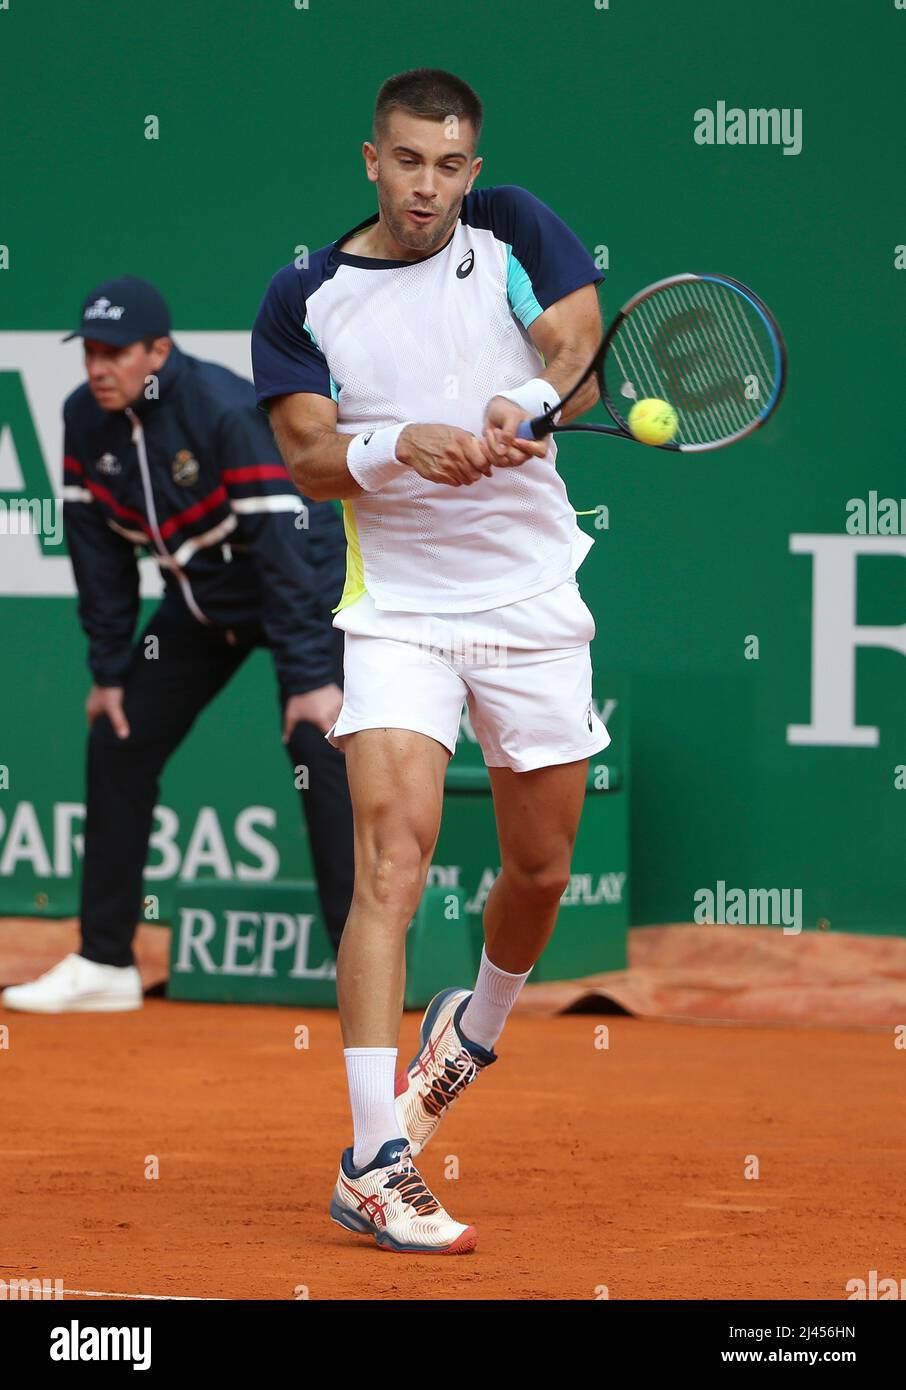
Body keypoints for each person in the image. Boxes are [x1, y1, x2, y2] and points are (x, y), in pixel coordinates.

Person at [252, 68, 611, 1255]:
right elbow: (309, 456)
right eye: (410, 161)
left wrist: (525, 396)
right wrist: (400, 442)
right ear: (372, 158)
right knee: (390, 862)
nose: (431, 185)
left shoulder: (511, 225)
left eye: (451, 164)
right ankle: (373, 1155)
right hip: (399, 606)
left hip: (530, 598)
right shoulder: (306, 294)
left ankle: (472, 1028)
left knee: (541, 868)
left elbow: (579, 346)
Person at [2, 276, 354, 1014]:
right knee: (120, 730)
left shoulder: (220, 407)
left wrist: (310, 676)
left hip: (300, 584)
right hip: (203, 604)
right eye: (90, 352)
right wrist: (108, 670)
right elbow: (96, 555)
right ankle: (105, 961)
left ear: (158, 351)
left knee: (322, 748)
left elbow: (283, 546)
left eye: (116, 353)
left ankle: (360, 967)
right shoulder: (82, 419)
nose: (99, 367)